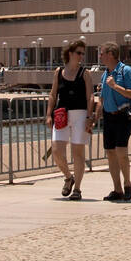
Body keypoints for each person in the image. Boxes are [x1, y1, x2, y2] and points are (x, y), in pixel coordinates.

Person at [46, 40, 95, 200]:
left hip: (80, 114)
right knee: (57, 151)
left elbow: (90, 96)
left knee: (78, 153)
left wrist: (89, 116)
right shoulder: (58, 72)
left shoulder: (85, 73)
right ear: (70, 53)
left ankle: (78, 189)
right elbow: (53, 94)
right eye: (78, 53)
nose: (81, 56)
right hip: (61, 114)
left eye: (83, 53)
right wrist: (48, 114)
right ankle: (68, 177)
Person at [96, 42, 131, 201]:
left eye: (102, 53)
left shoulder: (125, 71)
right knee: (110, 153)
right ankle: (117, 189)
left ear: (111, 54)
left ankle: (127, 184)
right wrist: (95, 115)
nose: (100, 56)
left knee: (121, 151)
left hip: (123, 116)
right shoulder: (105, 73)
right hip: (108, 116)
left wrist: (115, 86)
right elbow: (102, 98)